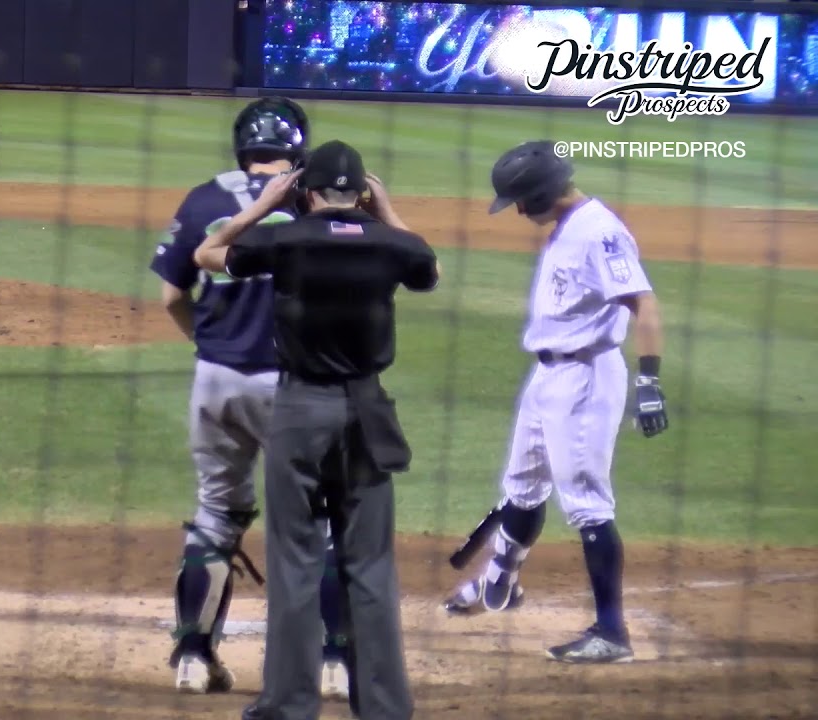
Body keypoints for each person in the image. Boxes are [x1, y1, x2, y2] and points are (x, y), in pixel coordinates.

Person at [194, 140, 440, 720]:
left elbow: (208, 252)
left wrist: (263, 206)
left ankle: (289, 702)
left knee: (295, 560)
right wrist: (385, 211)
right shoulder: (391, 244)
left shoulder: (285, 238)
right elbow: (428, 267)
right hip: (368, 412)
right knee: (371, 563)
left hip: (302, 411)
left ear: (304, 193)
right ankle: (384, 706)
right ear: (360, 192)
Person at [151, 98, 353, 700]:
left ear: (242, 145)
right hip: (292, 384)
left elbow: (170, 295)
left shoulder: (204, 198)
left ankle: (192, 656)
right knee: (325, 522)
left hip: (215, 380)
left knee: (215, 514)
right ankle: (333, 663)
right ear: (299, 147)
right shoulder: (312, 198)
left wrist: (209, 345)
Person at [441, 140, 669, 664]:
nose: (519, 210)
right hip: (546, 376)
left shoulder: (599, 231)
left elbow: (644, 303)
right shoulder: (566, 228)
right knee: (521, 487)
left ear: (543, 191)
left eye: (521, 199)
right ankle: (501, 578)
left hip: (586, 377)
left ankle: (611, 635)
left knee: (587, 504)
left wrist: (649, 382)